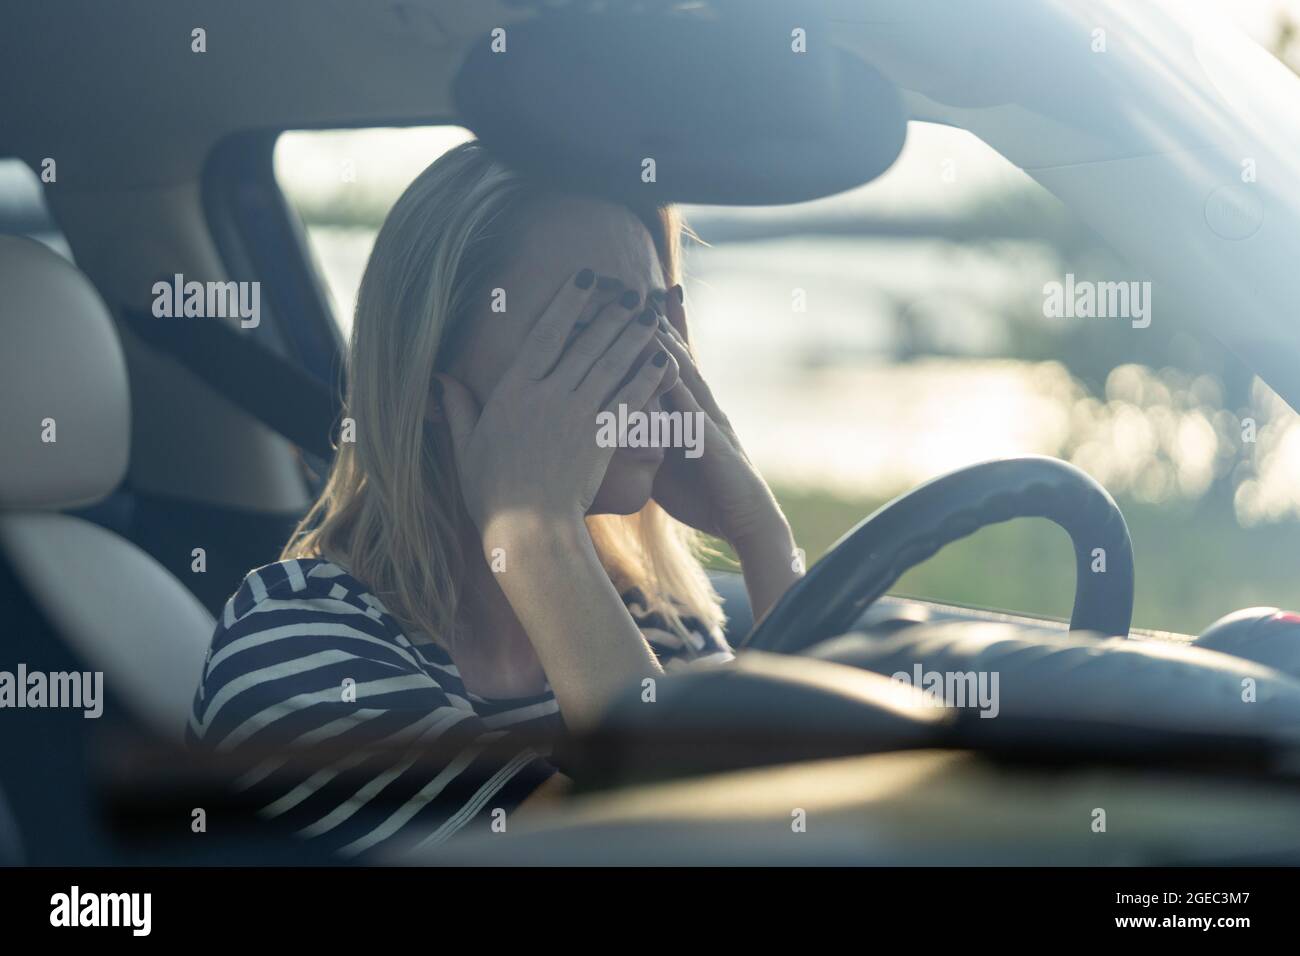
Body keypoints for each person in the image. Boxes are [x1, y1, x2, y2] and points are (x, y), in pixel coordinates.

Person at [187, 141, 801, 857]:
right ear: (430, 380)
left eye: (652, 323)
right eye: (584, 332)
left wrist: (760, 534)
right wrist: (534, 532)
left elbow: (822, 823)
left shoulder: (652, 620)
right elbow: (668, 853)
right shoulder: (294, 656)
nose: (651, 370)